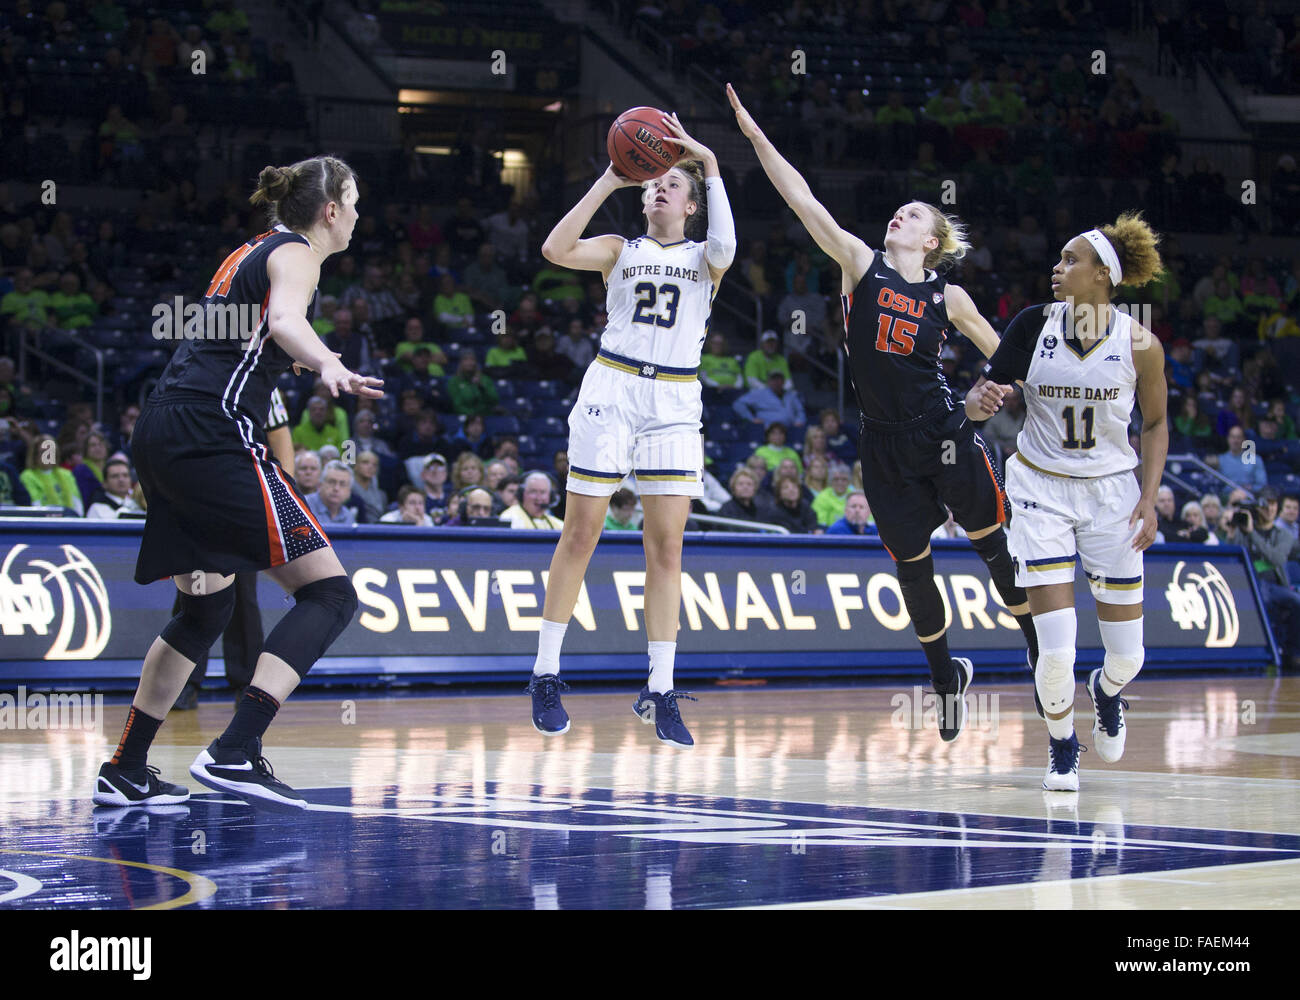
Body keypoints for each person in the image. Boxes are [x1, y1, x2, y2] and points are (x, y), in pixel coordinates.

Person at [729, 82, 1038, 742]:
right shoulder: (858, 263)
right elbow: (803, 200)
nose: (899, 217)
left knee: (993, 549)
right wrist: (756, 140)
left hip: (945, 431)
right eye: (897, 211)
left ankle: (1040, 647)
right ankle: (943, 677)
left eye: (913, 215)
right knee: (912, 568)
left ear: (932, 240)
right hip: (882, 443)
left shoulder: (947, 296)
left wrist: (1034, 390)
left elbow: (1002, 349)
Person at [93, 156, 382, 810]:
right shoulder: (299, 252)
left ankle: (127, 769)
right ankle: (235, 749)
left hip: (161, 430)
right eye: (355, 202)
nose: (360, 216)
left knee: (205, 609)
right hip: (212, 432)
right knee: (331, 596)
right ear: (330, 209)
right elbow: (284, 321)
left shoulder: (249, 249)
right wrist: (329, 362)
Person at [526, 112, 735, 747]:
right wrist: (609, 181)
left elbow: (726, 247)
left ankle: (662, 688)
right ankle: (544, 673)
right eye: (652, 183)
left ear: (694, 204)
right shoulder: (621, 248)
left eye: (673, 184)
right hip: (612, 387)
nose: (658, 190)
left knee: (666, 547)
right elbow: (556, 250)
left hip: (674, 395)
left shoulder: (707, 257)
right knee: (581, 533)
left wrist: (715, 166)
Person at [967, 211, 1168, 791]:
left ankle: (1106, 691)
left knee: (1128, 657)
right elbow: (987, 394)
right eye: (1058, 260)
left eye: (1070, 260)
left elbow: (1155, 424)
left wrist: (1149, 500)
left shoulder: (1141, 345)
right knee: (1056, 649)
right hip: (1040, 488)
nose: (1057, 269)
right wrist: (982, 399)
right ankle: (1061, 743)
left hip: (1113, 496)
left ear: (1103, 274)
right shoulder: (1033, 325)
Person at [1221, 487, 1300, 670]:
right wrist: (1232, 535)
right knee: (1259, 598)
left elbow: (1277, 558)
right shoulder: (1243, 528)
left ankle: (1294, 653)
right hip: (1246, 584)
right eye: (1266, 505)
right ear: (1257, 507)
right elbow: (1230, 558)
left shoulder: (1284, 535)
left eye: (1273, 505)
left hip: (1275, 586)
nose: (1270, 510)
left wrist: (1252, 534)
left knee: (1296, 601)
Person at [306, 459, 360, 526]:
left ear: (349, 492)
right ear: (320, 485)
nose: (336, 488)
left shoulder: (348, 516)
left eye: (342, 484)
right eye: (332, 482)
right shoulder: (304, 506)